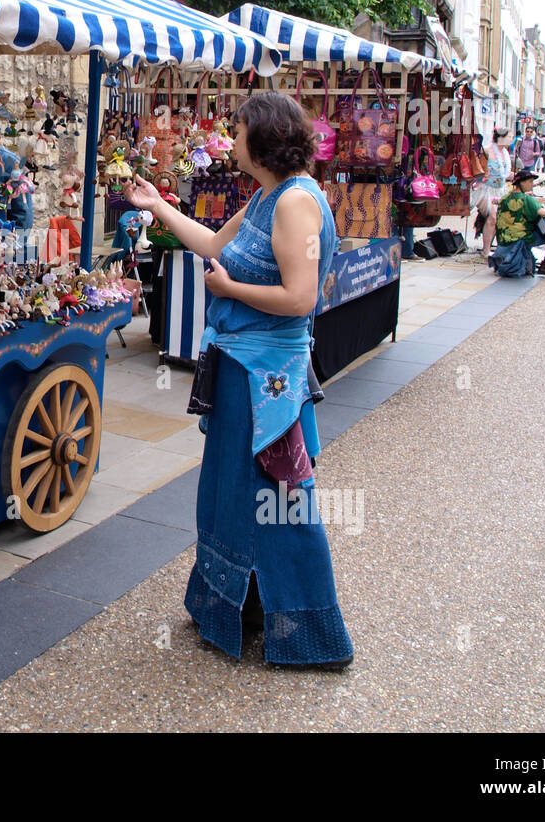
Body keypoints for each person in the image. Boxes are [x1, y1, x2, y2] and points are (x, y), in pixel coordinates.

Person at [124, 91, 352, 671]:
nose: (233, 139)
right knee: (235, 492)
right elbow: (210, 244)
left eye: (240, 129)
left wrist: (228, 291)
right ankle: (243, 609)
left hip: (265, 381)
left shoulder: (296, 204)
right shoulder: (267, 196)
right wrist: (158, 207)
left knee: (277, 498)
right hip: (241, 372)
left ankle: (305, 631)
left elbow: (299, 299)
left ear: (266, 138)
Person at [495, 168, 545, 277]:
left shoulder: (505, 197)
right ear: (522, 183)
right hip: (521, 238)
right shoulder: (526, 199)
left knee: (526, 227)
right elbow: (543, 213)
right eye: (530, 182)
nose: (532, 184)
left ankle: (528, 258)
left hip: (503, 238)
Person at [475, 127, 513, 255]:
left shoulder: (506, 153)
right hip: (485, 189)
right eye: (509, 137)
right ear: (501, 137)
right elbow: (477, 167)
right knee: (492, 216)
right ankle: (486, 250)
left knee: (498, 218)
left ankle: (490, 247)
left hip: (500, 190)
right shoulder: (486, 150)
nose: (511, 139)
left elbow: (505, 174)